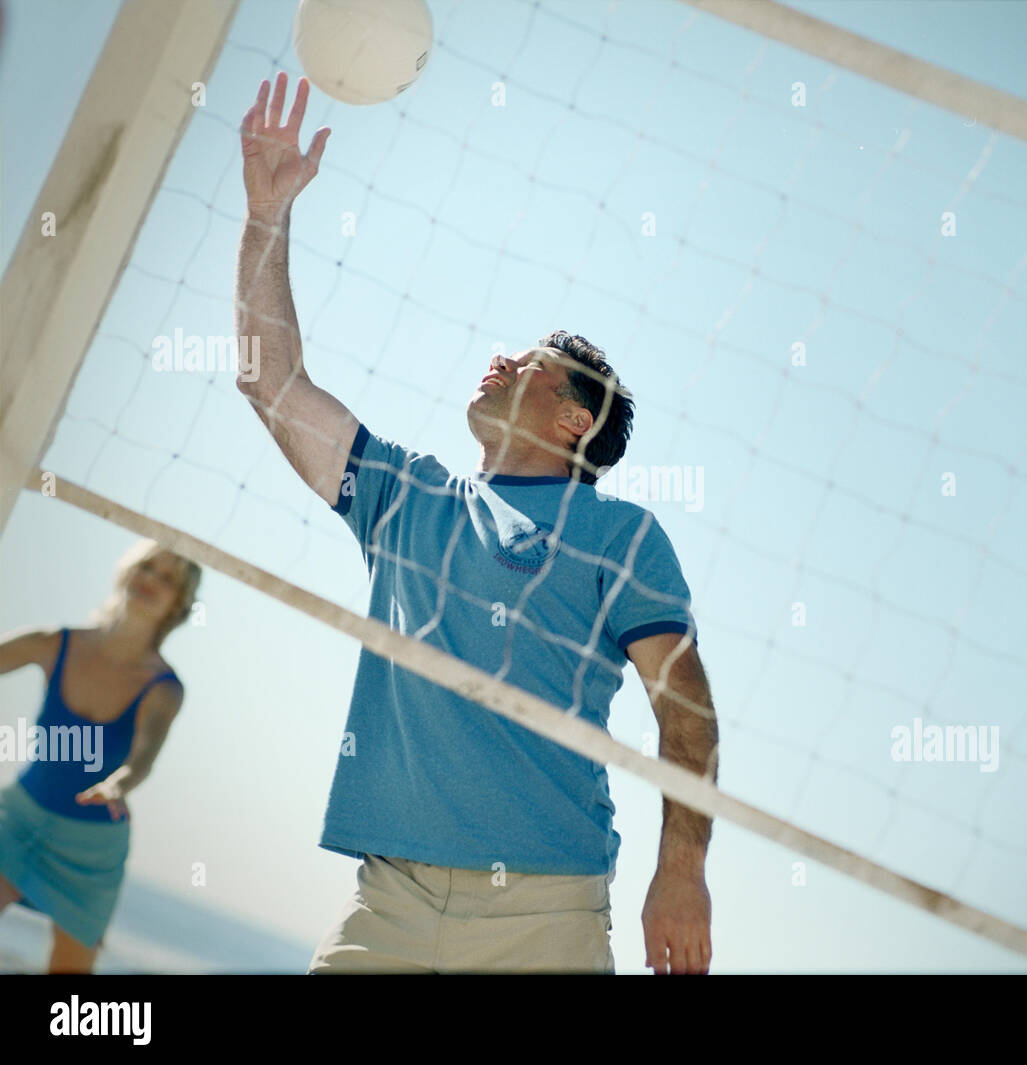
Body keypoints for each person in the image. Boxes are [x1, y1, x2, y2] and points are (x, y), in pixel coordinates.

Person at [237, 73, 719, 974]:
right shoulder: (403, 494)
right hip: (388, 903)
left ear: (575, 420)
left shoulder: (624, 537)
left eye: (530, 362)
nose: (497, 358)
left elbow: (685, 712)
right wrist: (267, 211)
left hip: (546, 915)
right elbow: (272, 383)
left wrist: (680, 871)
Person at [0, 541, 199, 973]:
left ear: (178, 605)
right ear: (126, 570)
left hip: (90, 849)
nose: (152, 580)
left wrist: (118, 784)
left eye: (168, 580)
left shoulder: (165, 688)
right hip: (17, 816)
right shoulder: (54, 641)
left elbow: (143, 758)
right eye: (147, 567)